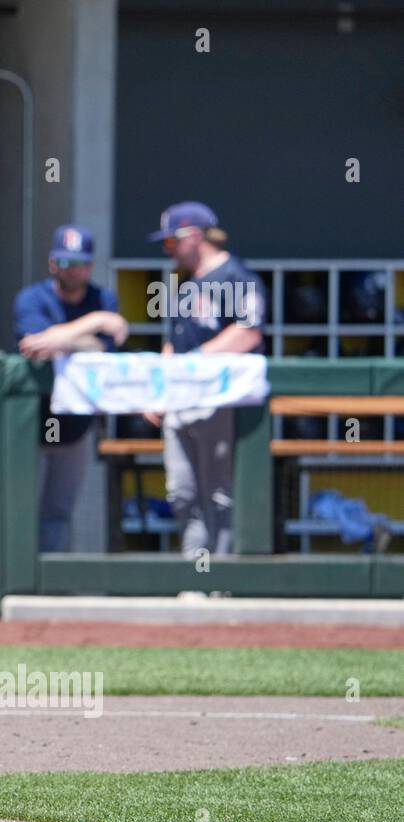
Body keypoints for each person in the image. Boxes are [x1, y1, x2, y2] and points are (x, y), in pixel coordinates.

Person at [146, 201, 266, 557]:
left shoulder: (236, 277)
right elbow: (172, 343)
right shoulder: (183, 284)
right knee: (182, 493)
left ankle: (222, 579)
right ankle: (194, 575)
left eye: (171, 242)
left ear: (194, 236)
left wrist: (195, 363)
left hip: (218, 401)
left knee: (218, 494)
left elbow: (248, 333)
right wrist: (159, 391)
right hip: (181, 401)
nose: (168, 250)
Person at [14, 225, 127, 552]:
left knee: (58, 512)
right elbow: (34, 345)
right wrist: (94, 325)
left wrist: (60, 339)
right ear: (52, 263)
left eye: (77, 263)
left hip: (76, 424)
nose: (71, 269)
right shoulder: (32, 297)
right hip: (29, 420)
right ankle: (22, 586)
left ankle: (51, 590)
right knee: (20, 511)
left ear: (90, 266)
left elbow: (108, 346)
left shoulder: (103, 298)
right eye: (63, 262)